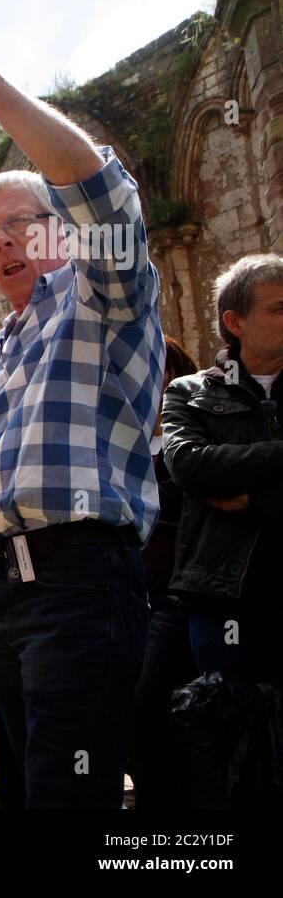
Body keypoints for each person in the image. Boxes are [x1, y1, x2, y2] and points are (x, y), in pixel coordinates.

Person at [0, 0, 164, 807]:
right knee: (22, 789)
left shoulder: (103, 298)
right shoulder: (5, 344)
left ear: (62, 233)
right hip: (4, 591)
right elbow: (14, 474)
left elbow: (98, 191)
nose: (1, 242)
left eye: (20, 223)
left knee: (67, 795)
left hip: (81, 584)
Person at [163, 256, 283, 690]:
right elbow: (191, 467)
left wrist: (255, 498)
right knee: (228, 729)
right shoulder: (190, 392)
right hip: (223, 593)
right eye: (278, 308)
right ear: (236, 322)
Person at [130, 335, 199, 808]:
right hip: (128, 586)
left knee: (151, 698)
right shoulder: (125, 437)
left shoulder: (188, 435)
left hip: (179, 586)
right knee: (134, 705)